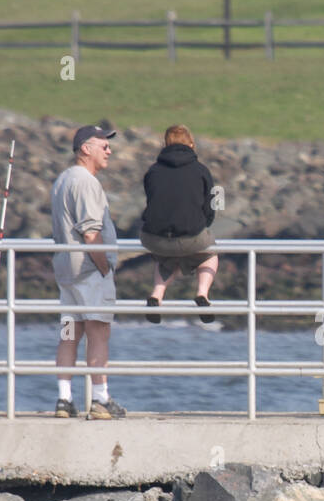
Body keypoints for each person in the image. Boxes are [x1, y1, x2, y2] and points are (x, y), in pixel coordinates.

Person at [51, 124, 125, 419]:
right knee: (98, 332)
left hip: (67, 276)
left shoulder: (62, 180)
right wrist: (105, 266)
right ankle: (100, 400)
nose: (109, 150)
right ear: (86, 148)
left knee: (69, 333)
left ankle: (63, 399)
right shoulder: (86, 182)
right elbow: (91, 233)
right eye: (104, 145)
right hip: (89, 274)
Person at [140, 124, 219, 327]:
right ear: (191, 144)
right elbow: (211, 208)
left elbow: (152, 201)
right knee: (210, 254)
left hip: (154, 238)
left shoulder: (153, 171)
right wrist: (202, 224)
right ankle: (202, 294)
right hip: (191, 236)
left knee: (165, 256)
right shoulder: (201, 171)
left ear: (165, 144)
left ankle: (156, 296)